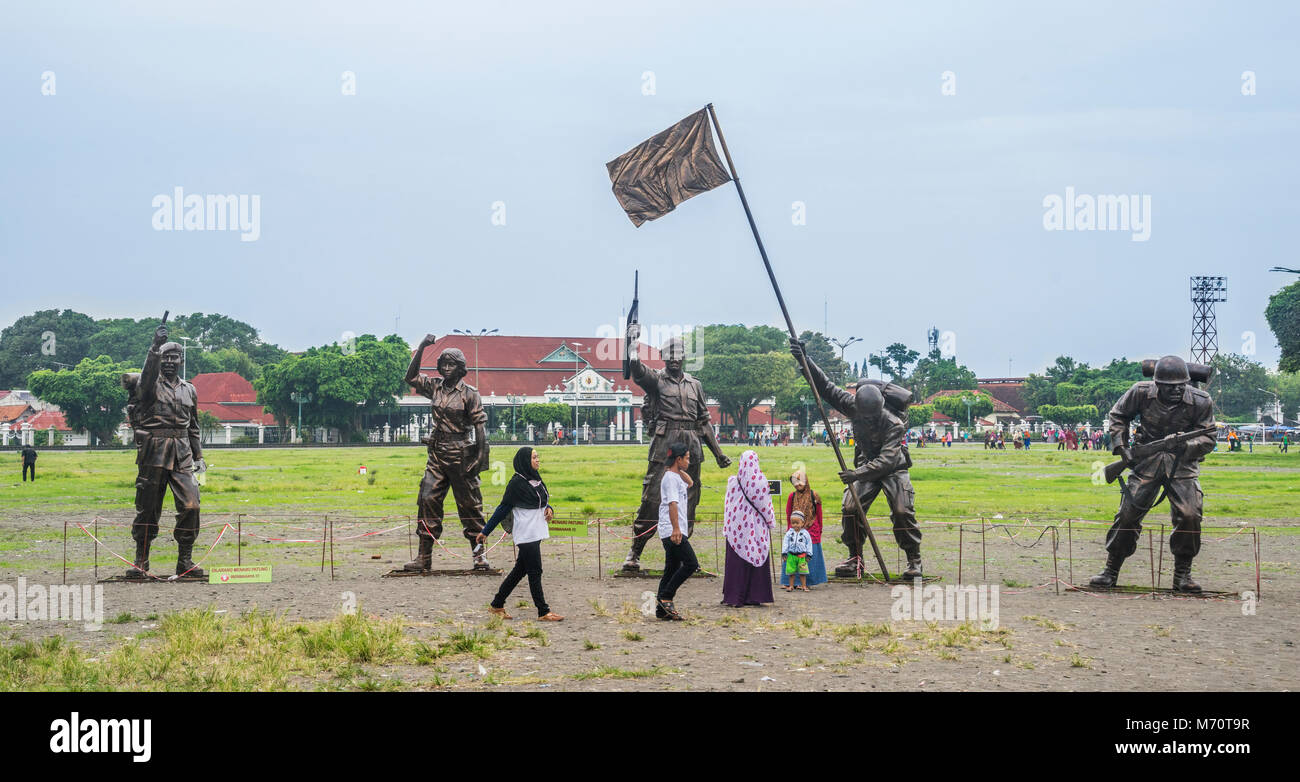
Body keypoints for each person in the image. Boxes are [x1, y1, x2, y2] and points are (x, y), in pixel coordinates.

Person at [790, 338, 923, 579]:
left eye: (873, 416)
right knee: (851, 507)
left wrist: (855, 474)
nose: (870, 419)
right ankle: (855, 558)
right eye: (865, 416)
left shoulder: (894, 424)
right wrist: (804, 359)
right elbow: (826, 387)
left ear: (881, 407)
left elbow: (887, 460)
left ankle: (914, 560)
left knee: (903, 510)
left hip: (892, 469)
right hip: (864, 466)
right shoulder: (853, 405)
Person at [1090, 355, 1216, 593]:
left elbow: (1208, 437)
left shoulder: (1201, 400)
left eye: (1181, 386)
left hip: (1183, 464)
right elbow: (1118, 416)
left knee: (1189, 515)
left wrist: (1186, 446)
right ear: (1158, 384)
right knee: (1127, 515)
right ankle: (1110, 570)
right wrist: (1121, 447)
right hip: (1145, 460)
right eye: (1170, 387)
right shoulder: (1140, 392)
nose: (1177, 391)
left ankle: (1182, 576)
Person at [621, 329, 731, 571]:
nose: (674, 358)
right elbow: (636, 368)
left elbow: (703, 420)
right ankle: (635, 551)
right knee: (652, 497)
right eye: (669, 354)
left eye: (678, 354)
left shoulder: (695, 385)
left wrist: (718, 453)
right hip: (665, 444)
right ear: (662, 355)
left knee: (689, 499)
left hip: (691, 443)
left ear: (684, 357)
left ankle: (683, 553)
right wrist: (632, 341)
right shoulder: (656, 380)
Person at [122, 321, 207, 578]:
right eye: (165, 357)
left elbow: (193, 427)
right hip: (154, 452)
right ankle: (141, 562)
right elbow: (147, 375)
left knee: (191, 505)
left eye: (174, 357)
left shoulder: (189, 389)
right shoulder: (148, 385)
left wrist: (200, 457)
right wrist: (154, 346)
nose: (169, 361)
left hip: (182, 454)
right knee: (148, 508)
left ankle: (185, 561)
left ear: (180, 360)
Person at [404, 334, 492, 572]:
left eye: (451, 364)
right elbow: (411, 377)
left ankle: (479, 556)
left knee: (470, 505)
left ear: (461, 368)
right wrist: (421, 346)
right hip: (437, 454)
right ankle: (424, 557)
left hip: (461, 454)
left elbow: (480, 428)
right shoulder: (435, 387)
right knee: (427, 499)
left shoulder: (470, 393)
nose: (445, 368)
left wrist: (480, 458)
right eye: (443, 364)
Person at [477, 447, 563, 621]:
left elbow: (543, 501)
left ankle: (497, 605)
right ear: (525, 461)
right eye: (534, 457)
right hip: (526, 533)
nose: (538, 460)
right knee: (535, 571)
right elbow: (503, 509)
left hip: (536, 531)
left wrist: (549, 509)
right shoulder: (516, 483)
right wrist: (486, 531)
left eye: (538, 456)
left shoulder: (536, 479)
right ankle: (543, 611)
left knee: (520, 570)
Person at [720, 449, 776, 607]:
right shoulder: (761, 482)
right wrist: (771, 522)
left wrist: (727, 526)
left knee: (736, 562)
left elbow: (728, 505)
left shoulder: (732, 481)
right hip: (755, 528)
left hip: (736, 529)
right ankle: (754, 595)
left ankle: (734, 596)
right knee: (755, 558)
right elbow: (765, 507)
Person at [655, 441, 697, 620]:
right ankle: (667, 597)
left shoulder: (675, 476)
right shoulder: (670, 479)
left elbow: (691, 482)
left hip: (671, 528)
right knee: (691, 564)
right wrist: (676, 529)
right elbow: (672, 504)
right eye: (686, 458)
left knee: (671, 568)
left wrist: (678, 468)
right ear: (678, 459)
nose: (689, 461)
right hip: (672, 529)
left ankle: (661, 609)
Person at [783, 468, 827, 587]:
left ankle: (809, 582)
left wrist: (819, 531)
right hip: (795, 531)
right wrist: (789, 531)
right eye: (795, 482)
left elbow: (819, 515)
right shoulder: (791, 497)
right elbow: (788, 515)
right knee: (792, 555)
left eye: (800, 481)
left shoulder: (814, 495)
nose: (798, 484)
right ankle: (792, 582)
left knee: (808, 556)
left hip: (812, 529)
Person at [782, 512, 814, 592]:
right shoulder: (789, 533)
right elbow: (785, 543)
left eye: (797, 523)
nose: (795, 525)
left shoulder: (805, 534)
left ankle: (803, 586)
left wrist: (809, 554)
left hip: (802, 556)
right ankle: (791, 586)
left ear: (802, 523)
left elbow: (809, 544)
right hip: (791, 556)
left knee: (802, 572)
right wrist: (784, 553)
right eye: (793, 523)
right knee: (791, 572)